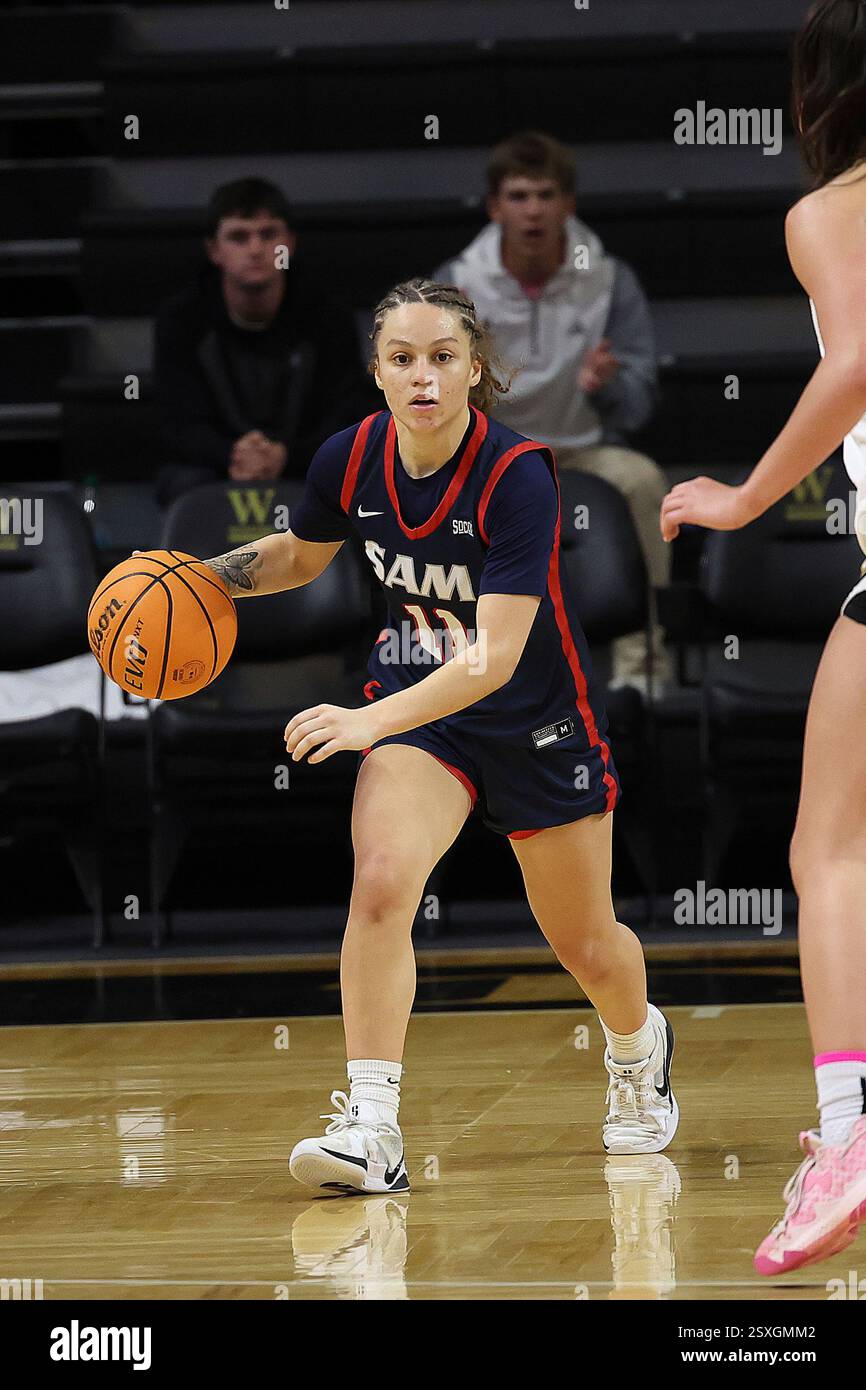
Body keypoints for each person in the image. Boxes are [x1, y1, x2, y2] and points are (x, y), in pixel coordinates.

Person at [204, 277, 678, 1194]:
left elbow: (493, 658)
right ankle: (372, 1127)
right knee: (382, 884)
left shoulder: (519, 474)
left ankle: (637, 1042)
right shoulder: (348, 457)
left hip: (534, 720)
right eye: (402, 359)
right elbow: (297, 556)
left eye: (442, 358)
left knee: (585, 943)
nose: (423, 377)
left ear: (475, 371)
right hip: (424, 725)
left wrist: (365, 721)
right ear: (377, 372)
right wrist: (199, 578)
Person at [661, 0, 866, 1275]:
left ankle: (847, 1131)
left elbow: (854, 361)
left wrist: (742, 496)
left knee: (827, 849)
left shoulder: (829, 205)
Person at [434, 131, 669, 693]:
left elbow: (641, 404)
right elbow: (422, 401)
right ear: (495, 208)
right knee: (428, 491)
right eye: (518, 196)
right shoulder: (457, 285)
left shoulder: (610, 281)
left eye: (545, 195)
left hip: (582, 448)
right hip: (491, 456)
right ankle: (458, 672)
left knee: (644, 481)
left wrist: (608, 387)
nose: (533, 211)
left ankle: (643, 673)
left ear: (568, 204)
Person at [153, 177, 373, 507]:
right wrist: (233, 455)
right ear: (214, 250)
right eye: (239, 237)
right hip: (217, 467)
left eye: (268, 235)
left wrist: (287, 456)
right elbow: (177, 422)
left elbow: (348, 415)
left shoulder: (327, 316)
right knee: (183, 482)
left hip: (304, 462)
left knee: (353, 475)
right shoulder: (181, 319)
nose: (256, 249)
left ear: (290, 244)